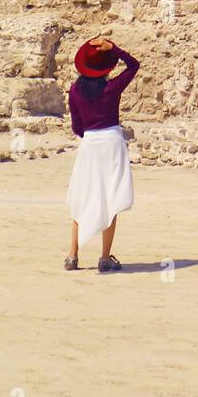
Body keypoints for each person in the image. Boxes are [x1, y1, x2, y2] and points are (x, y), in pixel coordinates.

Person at [64, 37, 140, 273]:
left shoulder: (75, 91)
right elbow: (134, 66)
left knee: (82, 196)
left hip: (90, 144)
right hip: (112, 144)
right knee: (111, 198)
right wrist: (115, 49)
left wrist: (89, 135)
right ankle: (105, 257)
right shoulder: (111, 88)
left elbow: (76, 126)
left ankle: (72, 256)